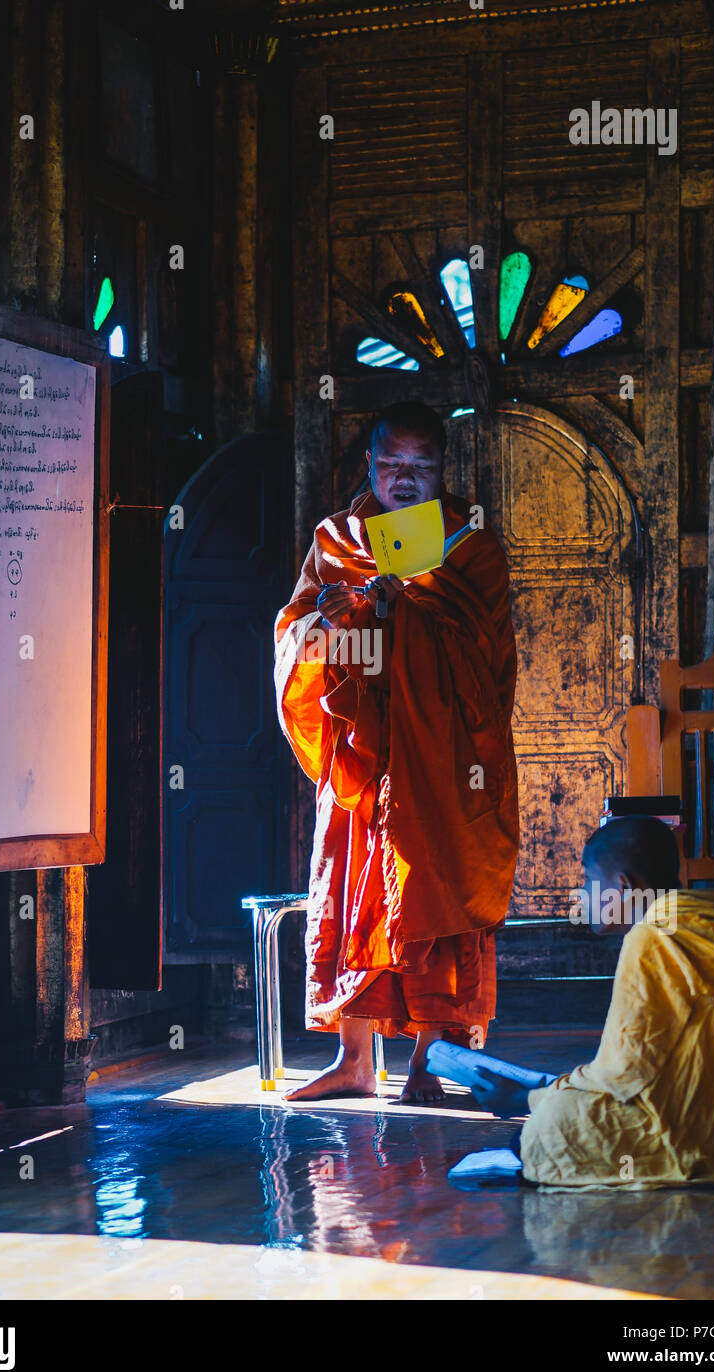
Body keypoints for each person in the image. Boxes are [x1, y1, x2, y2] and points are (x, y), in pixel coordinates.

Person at [274, 401, 519, 1103]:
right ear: (371, 466)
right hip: (361, 752)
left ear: (443, 471)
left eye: (422, 466)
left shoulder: (469, 545)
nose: (406, 479)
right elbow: (297, 637)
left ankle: (427, 1064)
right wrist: (351, 609)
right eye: (392, 464)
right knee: (353, 891)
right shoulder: (338, 540)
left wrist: (407, 609)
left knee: (430, 893)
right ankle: (352, 1060)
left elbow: (489, 655)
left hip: (440, 753)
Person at [428, 815, 714, 1186]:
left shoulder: (653, 936)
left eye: (588, 879)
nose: (581, 893)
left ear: (623, 886)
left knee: (551, 1126)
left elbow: (624, 1073)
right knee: (563, 1106)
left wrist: (527, 1099)